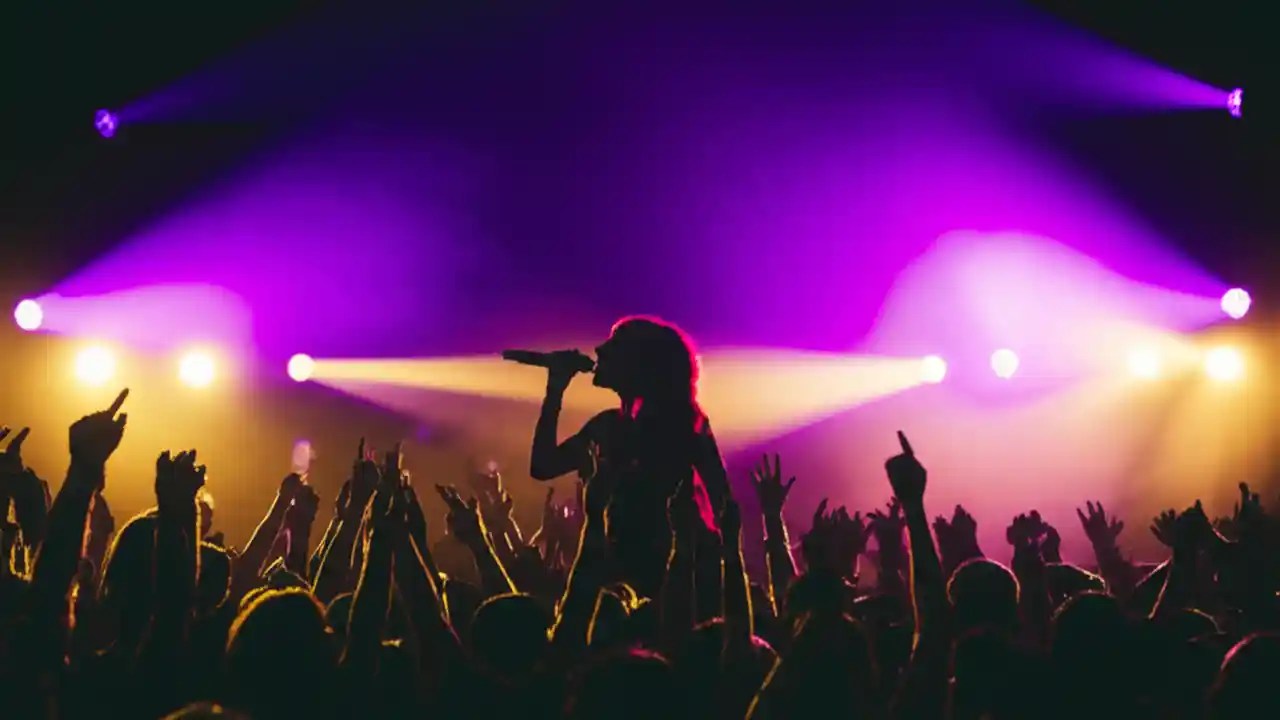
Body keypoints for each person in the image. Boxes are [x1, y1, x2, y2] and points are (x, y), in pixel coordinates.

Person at [528, 316, 732, 596]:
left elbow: (722, 504)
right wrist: (555, 388)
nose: (599, 350)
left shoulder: (680, 426)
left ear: (641, 364)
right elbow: (543, 466)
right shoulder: (608, 425)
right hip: (619, 579)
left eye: (614, 345)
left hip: (674, 580)